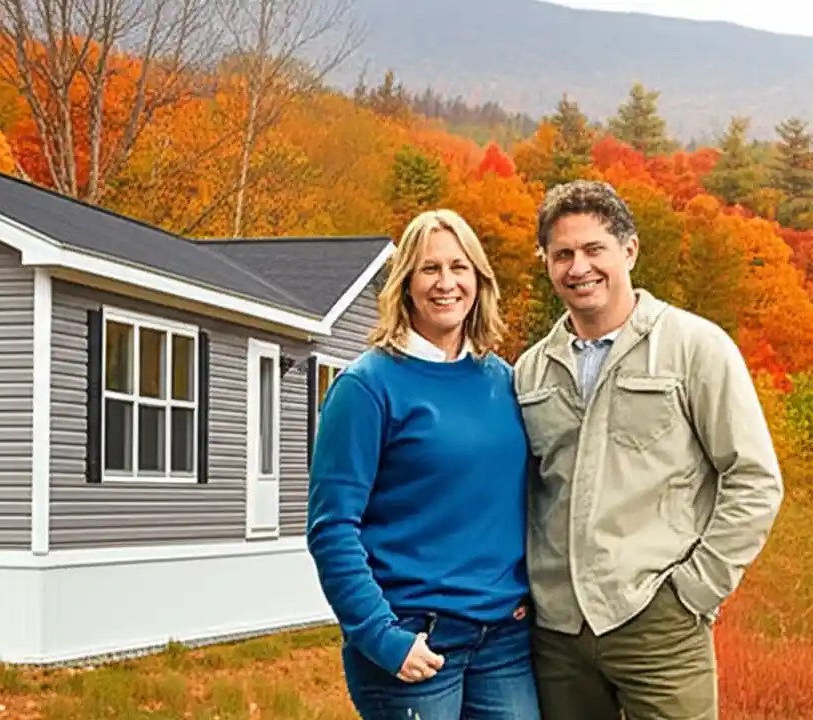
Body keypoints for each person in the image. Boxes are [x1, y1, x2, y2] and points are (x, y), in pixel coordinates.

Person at [514, 179, 785, 720]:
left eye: (595, 249)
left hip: (659, 625)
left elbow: (754, 479)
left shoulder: (694, 348)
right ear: (546, 262)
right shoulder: (530, 371)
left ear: (629, 250)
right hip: (559, 635)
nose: (578, 267)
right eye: (562, 253)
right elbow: (524, 494)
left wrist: (695, 591)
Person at [306, 208, 540, 719]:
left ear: (479, 280)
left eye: (460, 268)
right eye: (429, 269)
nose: (446, 283)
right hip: (414, 639)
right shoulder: (367, 387)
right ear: (406, 284)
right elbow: (332, 529)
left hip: (503, 642)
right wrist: (381, 637)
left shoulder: (503, 380)